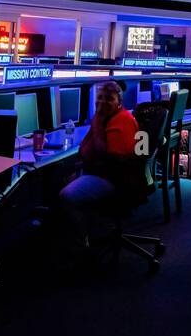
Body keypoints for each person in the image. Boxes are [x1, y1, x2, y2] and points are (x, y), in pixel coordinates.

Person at [58, 81, 141, 246]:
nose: (102, 102)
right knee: (60, 177)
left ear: (119, 102)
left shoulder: (120, 121)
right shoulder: (109, 118)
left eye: (109, 98)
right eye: (100, 97)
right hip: (108, 173)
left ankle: (83, 241)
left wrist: (96, 122)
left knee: (66, 196)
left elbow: (108, 158)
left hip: (114, 179)